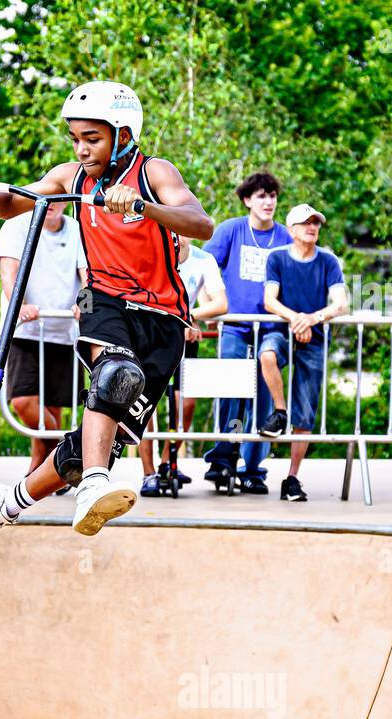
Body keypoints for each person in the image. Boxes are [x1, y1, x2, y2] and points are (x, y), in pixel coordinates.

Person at [0, 80, 213, 557]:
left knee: (86, 447)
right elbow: (12, 204)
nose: (82, 149)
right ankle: (94, 484)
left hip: (165, 320)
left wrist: (142, 206)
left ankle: (2, 505)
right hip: (103, 299)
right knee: (116, 374)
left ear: (125, 133)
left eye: (92, 138)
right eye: (75, 138)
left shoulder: (155, 172)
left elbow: (201, 224)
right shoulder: (70, 177)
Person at [200, 171, 291, 494]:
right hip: (236, 325)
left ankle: (253, 468)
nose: (268, 202)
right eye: (261, 196)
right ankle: (224, 458)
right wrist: (208, 305)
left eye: (272, 196)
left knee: (265, 399)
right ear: (247, 200)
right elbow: (203, 267)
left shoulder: (285, 237)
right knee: (232, 391)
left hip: (270, 327)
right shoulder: (231, 230)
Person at [256, 204, 348, 502]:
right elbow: (270, 301)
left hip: (314, 337)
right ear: (292, 229)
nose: (312, 228)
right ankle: (279, 411)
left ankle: (293, 477)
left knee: (306, 412)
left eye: (316, 223)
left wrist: (312, 319)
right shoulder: (277, 258)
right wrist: (297, 319)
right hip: (282, 331)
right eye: (306, 223)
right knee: (267, 354)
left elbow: (340, 304)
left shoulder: (328, 261)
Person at [0, 203, 88, 476]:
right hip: (26, 329)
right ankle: (67, 453)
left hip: (65, 330)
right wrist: (19, 306)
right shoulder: (17, 225)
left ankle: (41, 469)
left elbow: (88, 278)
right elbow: (9, 273)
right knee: (23, 400)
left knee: (53, 404)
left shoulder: (78, 229)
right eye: (47, 198)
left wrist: (86, 305)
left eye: (59, 198)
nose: (53, 204)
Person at [138, 236, 228, 495]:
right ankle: (148, 473)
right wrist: (182, 317)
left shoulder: (203, 259)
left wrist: (190, 317)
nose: (177, 235)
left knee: (186, 404)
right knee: (143, 407)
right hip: (150, 335)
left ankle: (167, 463)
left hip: (182, 337)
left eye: (182, 228)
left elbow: (220, 303)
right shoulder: (149, 250)